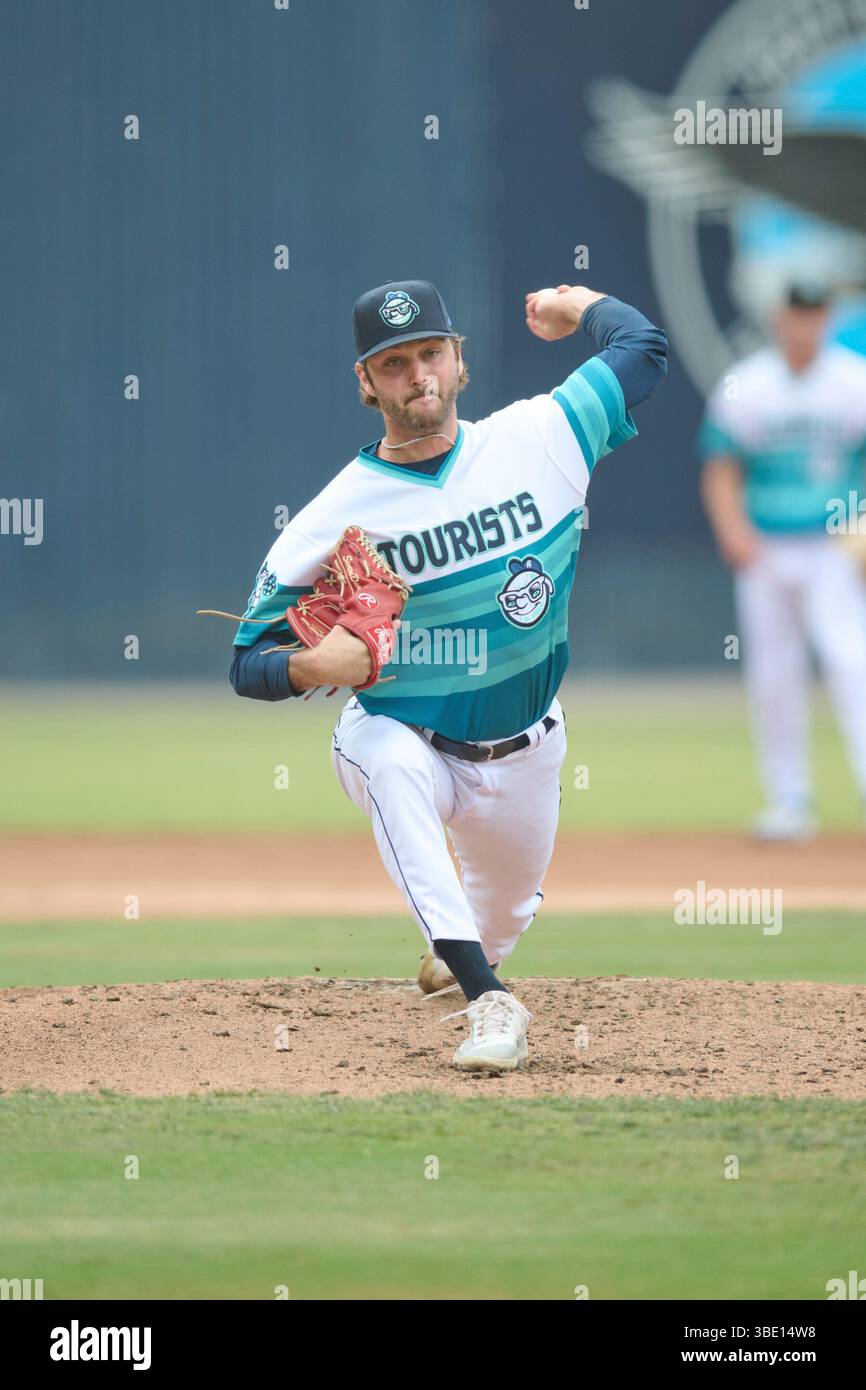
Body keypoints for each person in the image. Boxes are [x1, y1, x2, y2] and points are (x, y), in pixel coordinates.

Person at [231, 278, 667, 1070]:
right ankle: (490, 1002)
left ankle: (464, 957)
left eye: (431, 353)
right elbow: (244, 661)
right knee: (384, 758)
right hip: (407, 732)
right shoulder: (336, 512)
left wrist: (578, 306)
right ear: (366, 383)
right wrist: (304, 665)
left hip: (528, 747)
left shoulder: (542, 437)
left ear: (459, 361)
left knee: (497, 922)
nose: (417, 374)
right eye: (393, 363)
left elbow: (643, 351)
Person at [699, 284, 866, 839]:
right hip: (767, 545)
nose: (803, 326)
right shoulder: (748, 383)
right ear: (779, 318)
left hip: (832, 545)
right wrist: (733, 530)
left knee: (851, 664)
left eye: (813, 315)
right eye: (796, 315)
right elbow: (721, 465)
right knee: (775, 672)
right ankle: (789, 800)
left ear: (826, 317)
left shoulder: (852, 379)